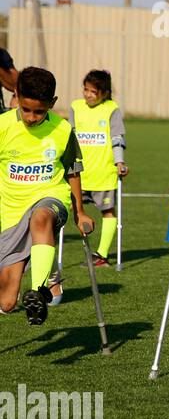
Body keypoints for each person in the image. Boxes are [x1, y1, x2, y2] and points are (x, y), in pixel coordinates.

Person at [0, 67, 92, 325]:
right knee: (6, 302)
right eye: (26, 109)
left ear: (52, 104)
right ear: (16, 96)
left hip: (51, 197)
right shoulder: (2, 126)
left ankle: (40, 291)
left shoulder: (62, 130)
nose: (31, 117)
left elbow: (73, 171)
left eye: (39, 111)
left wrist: (80, 212)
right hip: (11, 212)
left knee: (41, 218)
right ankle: (45, 268)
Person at [69, 69, 128, 265]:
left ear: (104, 93)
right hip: (79, 174)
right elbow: (69, 137)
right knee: (65, 209)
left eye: (93, 91)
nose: (87, 94)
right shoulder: (76, 107)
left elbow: (117, 138)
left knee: (107, 212)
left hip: (103, 174)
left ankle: (101, 254)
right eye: (85, 89)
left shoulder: (111, 109)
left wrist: (119, 162)